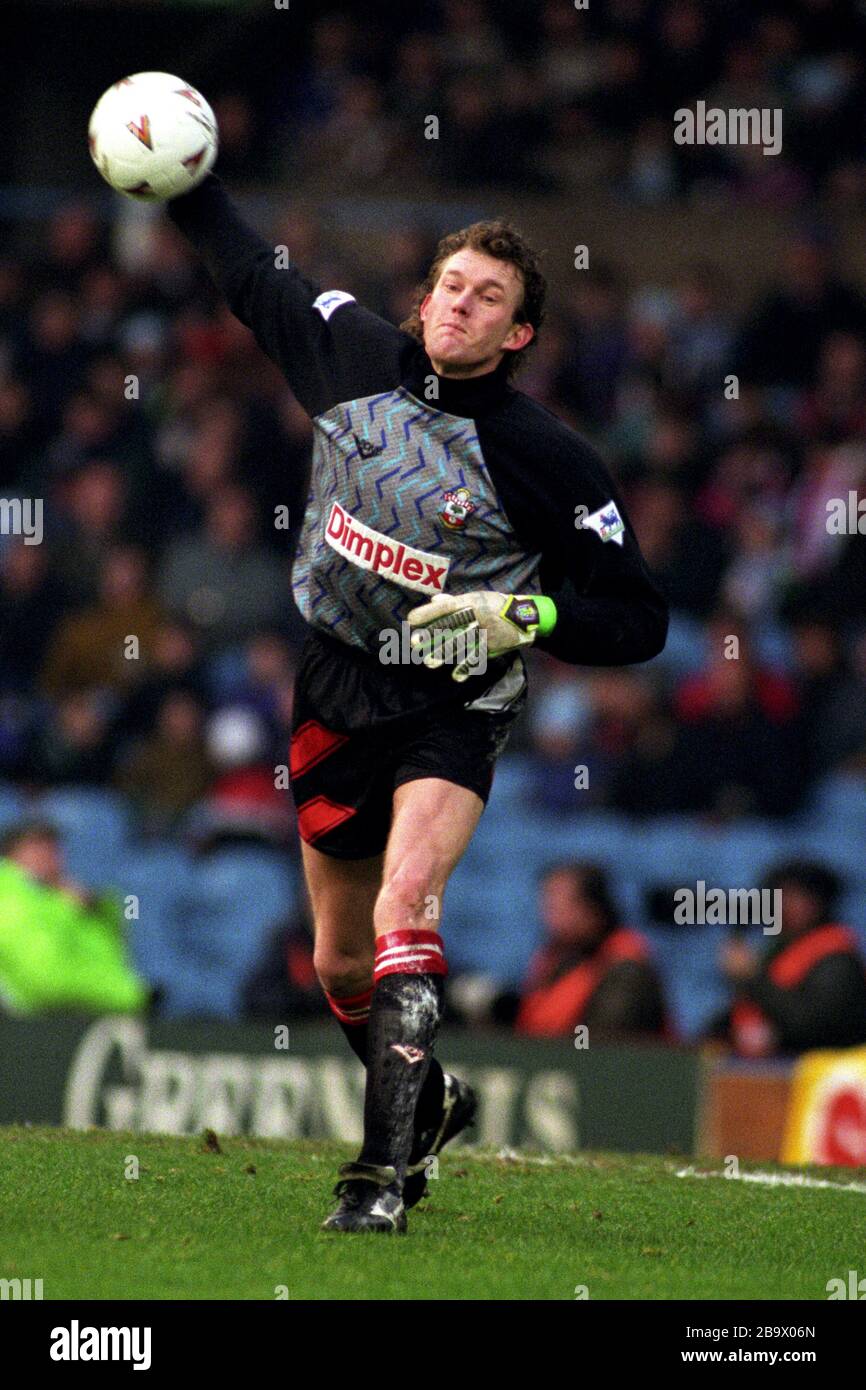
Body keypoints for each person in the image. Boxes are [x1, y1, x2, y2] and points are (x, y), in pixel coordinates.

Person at [167, 174, 668, 1233]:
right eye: (449, 284)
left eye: (487, 296)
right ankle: (429, 1099)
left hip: (453, 698)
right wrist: (180, 184)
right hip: (335, 676)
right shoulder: (349, 357)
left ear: (518, 331)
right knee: (340, 960)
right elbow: (254, 274)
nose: (458, 304)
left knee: (406, 903)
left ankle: (378, 1178)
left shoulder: (548, 458)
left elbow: (637, 617)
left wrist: (524, 616)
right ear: (422, 297)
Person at [712, 859, 866, 1057]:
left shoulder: (838, 960)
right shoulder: (779, 948)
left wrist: (752, 977)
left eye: (792, 898)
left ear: (818, 903)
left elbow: (812, 1027)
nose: (782, 906)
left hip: (825, 1076)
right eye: (777, 897)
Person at [0, 821, 150, 1015]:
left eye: (53, 847)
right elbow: (44, 980)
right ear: (11, 854)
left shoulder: (60, 896)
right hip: (49, 1020)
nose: (48, 856)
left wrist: (95, 905)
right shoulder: (11, 898)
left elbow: (129, 914)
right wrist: (127, 994)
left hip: (102, 1008)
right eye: (36, 847)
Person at [515, 863, 667, 1038]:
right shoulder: (559, 960)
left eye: (556, 906)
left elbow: (605, 1040)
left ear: (592, 908)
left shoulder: (628, 971)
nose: (548, 917)